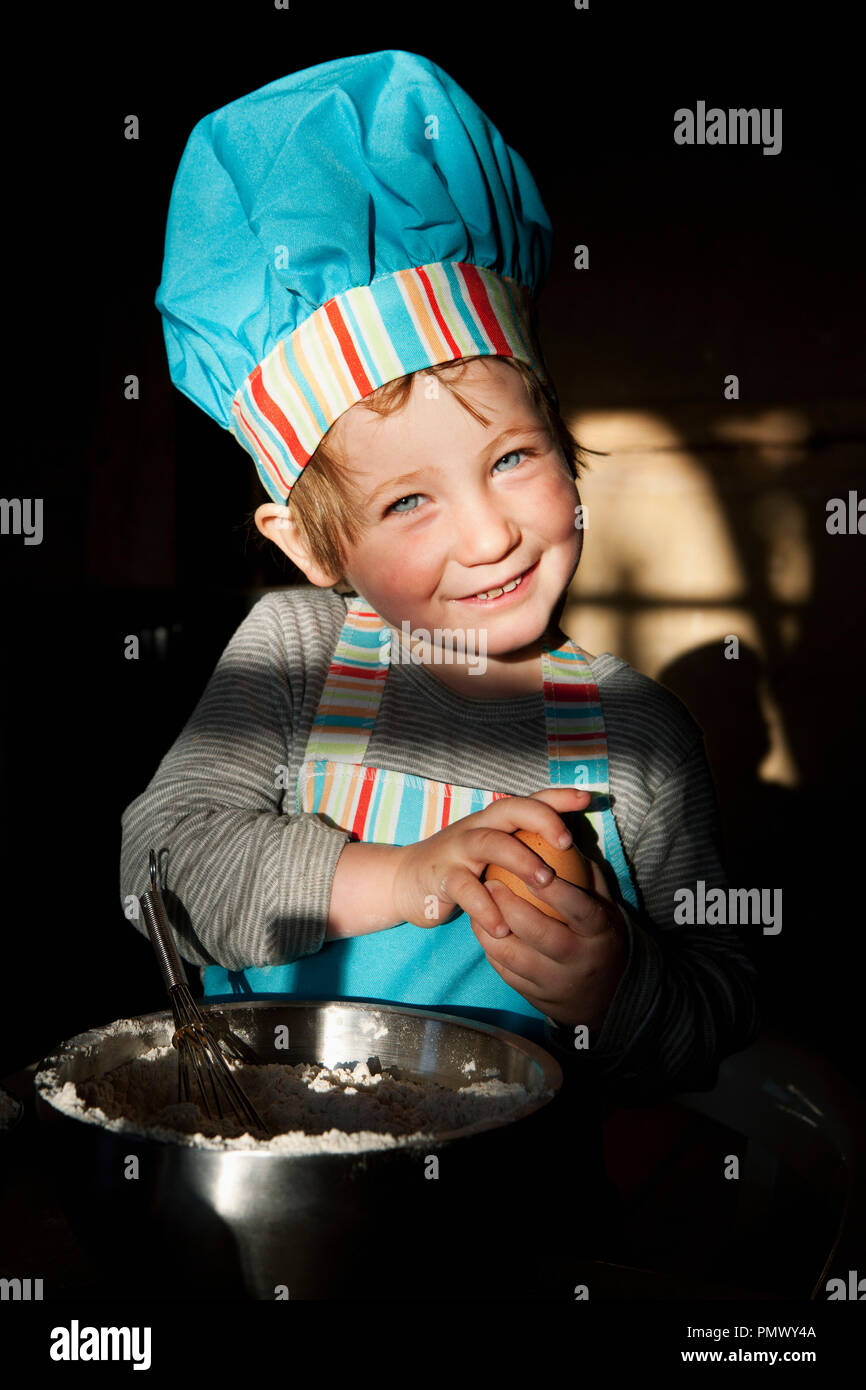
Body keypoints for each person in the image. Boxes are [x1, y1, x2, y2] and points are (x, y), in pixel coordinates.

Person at [120, 50, 759, 1111]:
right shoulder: (292, 653)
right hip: (281, 1175)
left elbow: (722, 1005)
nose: (488, 536)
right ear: (311, 548)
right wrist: (410, 876)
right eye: (407, 502)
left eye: (511, 459)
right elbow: (164, 868)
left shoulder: (641, 737)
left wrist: (617, 983)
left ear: (560, 435)